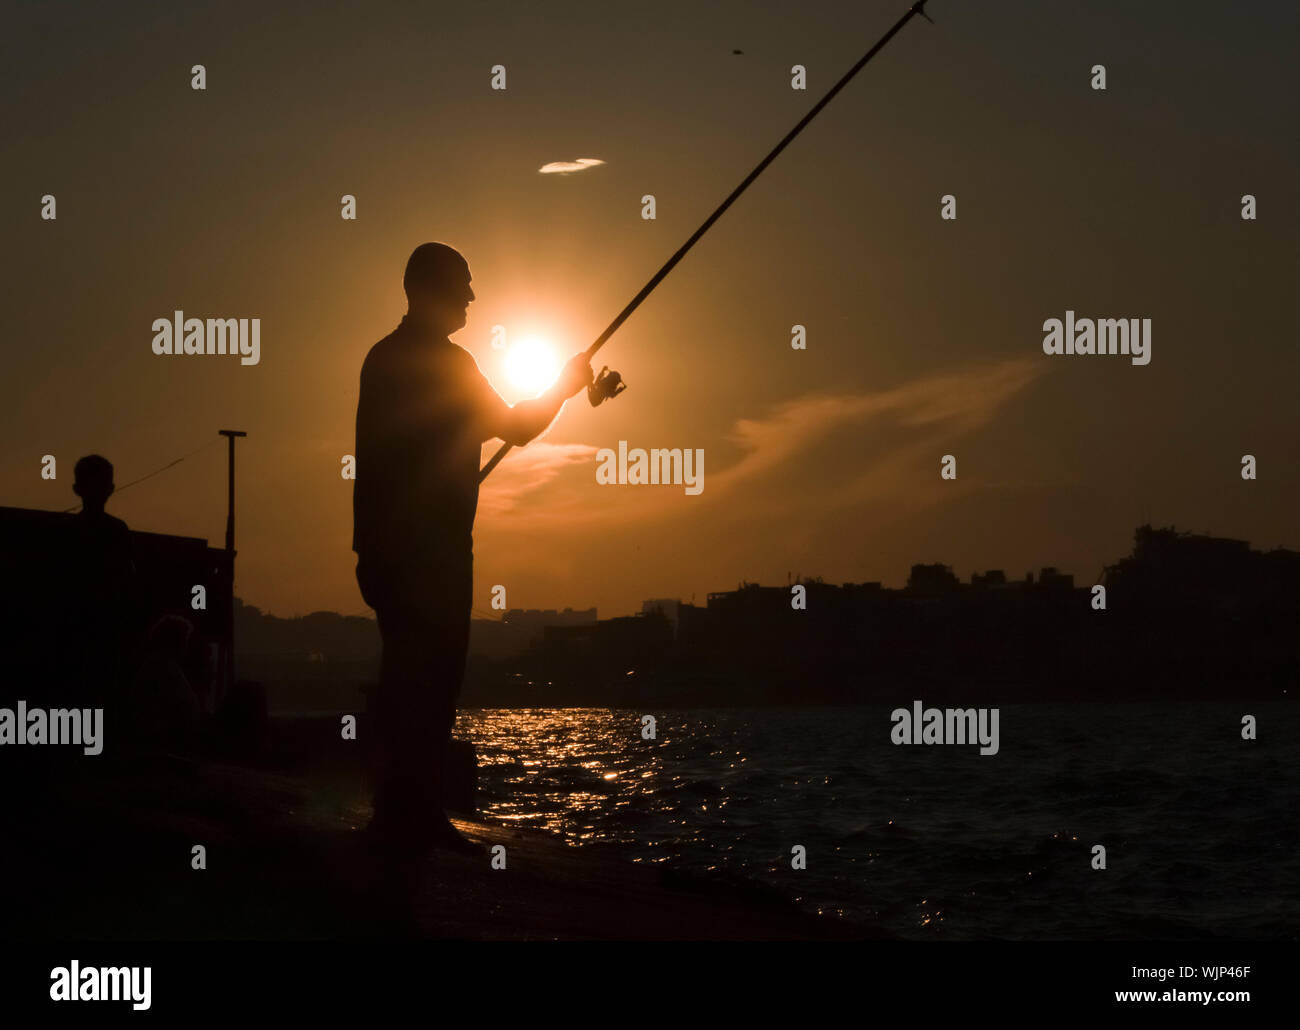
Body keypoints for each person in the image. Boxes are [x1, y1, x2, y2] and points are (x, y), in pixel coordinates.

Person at [353, 242, 591, 853]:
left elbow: (377, 463)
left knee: (408, 678)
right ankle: (417, 815)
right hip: (432, 553)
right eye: (462, 283)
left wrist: (369, 550)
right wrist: (564, 385)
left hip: (391, 549)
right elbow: (515, 426)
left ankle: (398, 814)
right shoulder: (449, 365)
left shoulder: (381, 359)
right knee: (433, 678)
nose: (471, 296)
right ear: (431, 289)